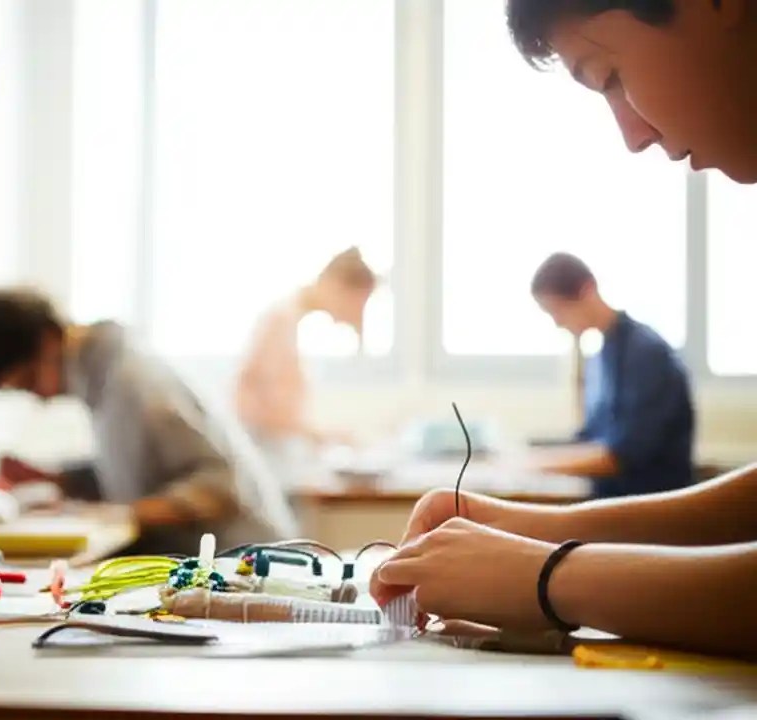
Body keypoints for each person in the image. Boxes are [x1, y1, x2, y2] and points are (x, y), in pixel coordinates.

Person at [371, 0, 757, 659]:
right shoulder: (606, 356)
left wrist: (544, 574)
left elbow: (616, 456)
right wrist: (528, 527)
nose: (633, 136)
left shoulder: (645, 352)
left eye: (607, 74)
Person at [0, 288, 297, 556]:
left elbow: (221, 486)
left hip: (247, 564)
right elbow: (143, 472)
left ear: (47, 340)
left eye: (30, 382)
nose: (40, 399)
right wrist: (56, 479)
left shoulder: (133, 382)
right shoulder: (103, 381)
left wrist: (115, 515)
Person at [528, 252, 695, 498]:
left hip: (648, 506)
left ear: (588, 290)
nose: (558, 323)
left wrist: (536, 465)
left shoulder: (646, 353)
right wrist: (535, 453)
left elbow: (622, 455)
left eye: (557, 310)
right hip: (614, 500)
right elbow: (590, 438)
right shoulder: (602, 354)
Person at [234, 247, 377, 451]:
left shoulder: (292, 320)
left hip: (273, 449)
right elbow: (256, 408)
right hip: (262, 452)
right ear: (336, 285)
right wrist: (320, 435)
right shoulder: (280, 321)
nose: (355, 312)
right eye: (357, 302)